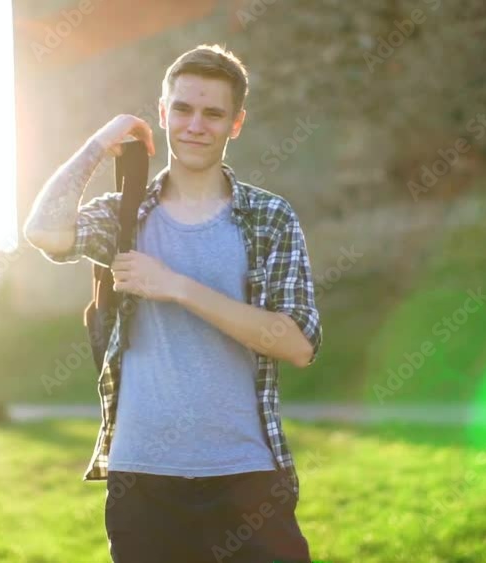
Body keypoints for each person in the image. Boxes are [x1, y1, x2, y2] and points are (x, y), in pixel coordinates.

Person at [24, 44, 321, 563]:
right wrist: (98, 143)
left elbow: (296, 345)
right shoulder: (126, 214)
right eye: (182, 109)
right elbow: (44, 231)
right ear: (162, 114)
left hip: (245, 477)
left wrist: (176, 286)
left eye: (213, 113)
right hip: (143, 482)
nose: (195, 125)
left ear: (236, 123)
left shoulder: (268, 217)